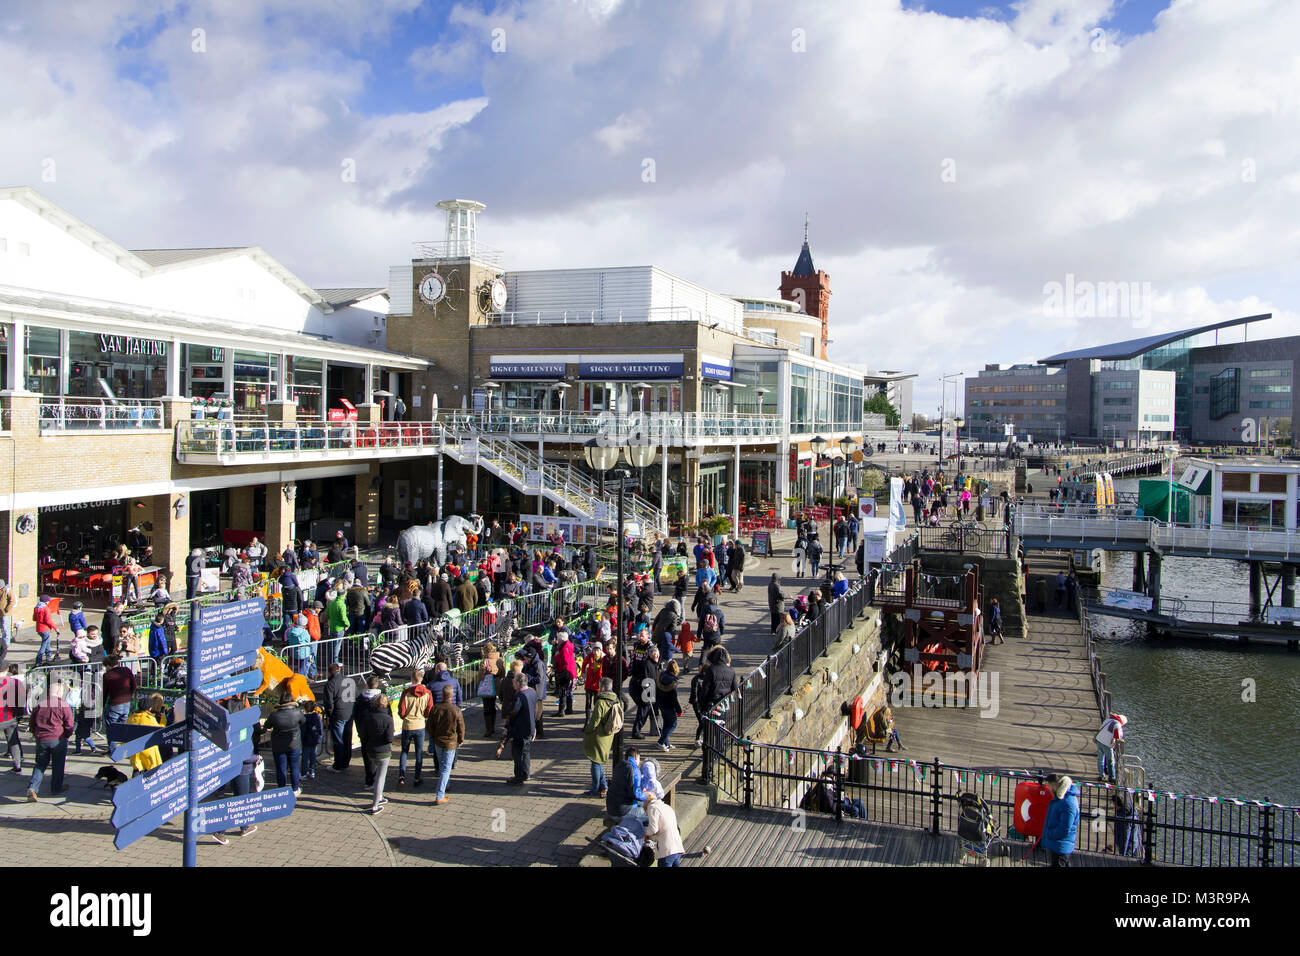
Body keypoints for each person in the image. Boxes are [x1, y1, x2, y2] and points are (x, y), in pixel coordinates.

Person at [26, 679, 74, 801]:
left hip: (41, 739)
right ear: (59, 690)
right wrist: (67, 735)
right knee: (58, 765)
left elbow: (32, 723)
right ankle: (56, 787)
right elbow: (69, 725)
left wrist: (35, 734)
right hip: (58, 739)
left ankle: (33, 788)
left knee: (40, 764)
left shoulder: (40, 705)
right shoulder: (63, 705)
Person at [356, 676, 393, 814]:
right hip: (382, 749)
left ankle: (370, 782)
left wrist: (362, 734)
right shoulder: (387, 718)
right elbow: (389, 737)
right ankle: (375, 804)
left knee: (370, 764)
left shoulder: (362, 703)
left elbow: (358, 718)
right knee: (381, 777)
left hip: (369, 743)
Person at [583, 677, 620, 797]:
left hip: (598, 736)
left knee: (595, 762)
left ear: (603, 688)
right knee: (599, 761)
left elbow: (594, 721)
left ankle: (595, 789)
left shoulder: (601, 702)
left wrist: (587, 730)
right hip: (609, 734)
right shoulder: (616, 700)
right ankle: (604, 785)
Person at [428, 684, 464, 804]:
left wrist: (433, 737)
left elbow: (429, 726)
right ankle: (440, 794)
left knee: (443, 765)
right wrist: (461, 739)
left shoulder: (435, 708)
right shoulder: (456, 710)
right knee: (446, 768)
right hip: (450, 742)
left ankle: (446, 784)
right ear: (452, 696)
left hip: (438, 741)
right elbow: (461, 727)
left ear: (442, 695)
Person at [267, 684, 306, 795]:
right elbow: (303, 721)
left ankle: (281, 789)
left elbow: (267, 725)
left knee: (281, 768)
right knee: (294, 767)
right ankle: (295, 789)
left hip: (278, 745)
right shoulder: (297, 712)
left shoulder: (274, 715)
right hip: (294, 744)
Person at [397, 671, 432, 788]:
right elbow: (429, 709)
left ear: (412, 679)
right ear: (421, 679)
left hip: (407, 724)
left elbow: (401, 710)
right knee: (418, 752)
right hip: (420, 725)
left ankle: (401, 776)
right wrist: (424, 717)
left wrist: (404, 717)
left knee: (404, 751)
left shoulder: (406, 693)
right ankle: (417, 777)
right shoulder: (427, 693)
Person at [322, 663, 357, 772]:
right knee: (347, 739)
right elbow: (355, 696)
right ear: (339, 669)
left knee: (338, 741)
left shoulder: (330, 684)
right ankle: (345, 762)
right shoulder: (350, 681)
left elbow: (328, 703)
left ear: (329, 672)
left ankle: (338, 765)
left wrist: (330, 714)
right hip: (350, 713)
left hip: (338, 715)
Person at [1041, 773, 1080, 866]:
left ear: (1054, 785)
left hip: (1060, 846)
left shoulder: (1068, 803)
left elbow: (1064, 829)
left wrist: (1049, 834)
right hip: (1058, 845)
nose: (1049, 789)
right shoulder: (1062, 800)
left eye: (1049, 786)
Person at [505, 671, 536, 786]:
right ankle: (526, 773)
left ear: (518, 683)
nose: (513, 684)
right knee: (526, 752)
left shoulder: (520, 696)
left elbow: (514, 711)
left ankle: (518, 776)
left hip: (520, 729)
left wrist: (509, 713)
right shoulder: (532, 692)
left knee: (517, 753)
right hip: (529, 728)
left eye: (514, 682)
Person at [643, 789, 685, 867]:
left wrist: (643, 831)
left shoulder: (652, 807)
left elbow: (653, 829)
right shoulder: (667, 807)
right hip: (677, 846)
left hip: (667, 849)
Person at [606, 745, 647, 821]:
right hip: (623, 812)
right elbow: (635, 793)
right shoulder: (634, 769)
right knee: (648, 813)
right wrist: (646, 795)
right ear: (636, 757)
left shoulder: (619, 765)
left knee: (641, 803)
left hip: (611, 809)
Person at [1, 664, 26, 773]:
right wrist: (19, 714)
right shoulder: (16, 683)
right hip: (11, 717)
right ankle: (17, 765)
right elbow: (21, 700)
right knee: (13, 740)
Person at [551, 619, 577, 717]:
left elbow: (565, 661)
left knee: (563, 691)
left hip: (565, 672)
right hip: (570, 672)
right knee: (568, 691)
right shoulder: (568, 646)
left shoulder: (564, 648)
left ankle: (561, 710)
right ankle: (569, 709)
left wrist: (557, 657)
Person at [654, 660, 681, 752]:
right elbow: (674, 698)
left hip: (661, 704)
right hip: (669, 705)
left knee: (666, 723)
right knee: (673, 724)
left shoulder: (661, 677)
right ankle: (661, 742)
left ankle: (666, 743)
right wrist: (679, 710)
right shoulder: (673, 682)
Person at [477, 649, 503, 737]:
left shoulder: (485, 661)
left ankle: (488, 729)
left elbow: (480, 675)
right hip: (496, 686)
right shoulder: (499, 660)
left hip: (487, 687)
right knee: (492, 706)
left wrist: (479, 682)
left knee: (487, 708)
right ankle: (493, 727)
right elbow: (503, 673)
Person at [1095, 713, 1127, 782]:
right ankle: (1112, 777)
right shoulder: (1117, 725)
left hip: (1099, 739)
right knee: (1111, 761)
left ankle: (1101, 775)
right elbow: (1117, 737)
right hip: (1107, 744)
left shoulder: (1108, 720)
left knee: (1100, 759)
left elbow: (1101, 728)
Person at [300, 700, 324, 781]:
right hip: (314, 738)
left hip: (306, 739)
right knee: (313, 756)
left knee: (305, 757)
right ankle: (312, 771)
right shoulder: (317, 717)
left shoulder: (304, 718)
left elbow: (302, 730)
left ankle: (303, 773)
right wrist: (320, 738)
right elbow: (320, 729)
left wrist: (301, 738)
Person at [33, 596, 60, 665]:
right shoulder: (46, 608)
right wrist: (56, 628)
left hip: (38, 628)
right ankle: (38, 661)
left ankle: (48, 656)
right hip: (45, 628)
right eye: (48, 601)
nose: (49, 602)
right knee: (43, 645)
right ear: (45, 601)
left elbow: (34, 618)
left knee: (47, 641)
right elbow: (48, 620)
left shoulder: (36, 607)